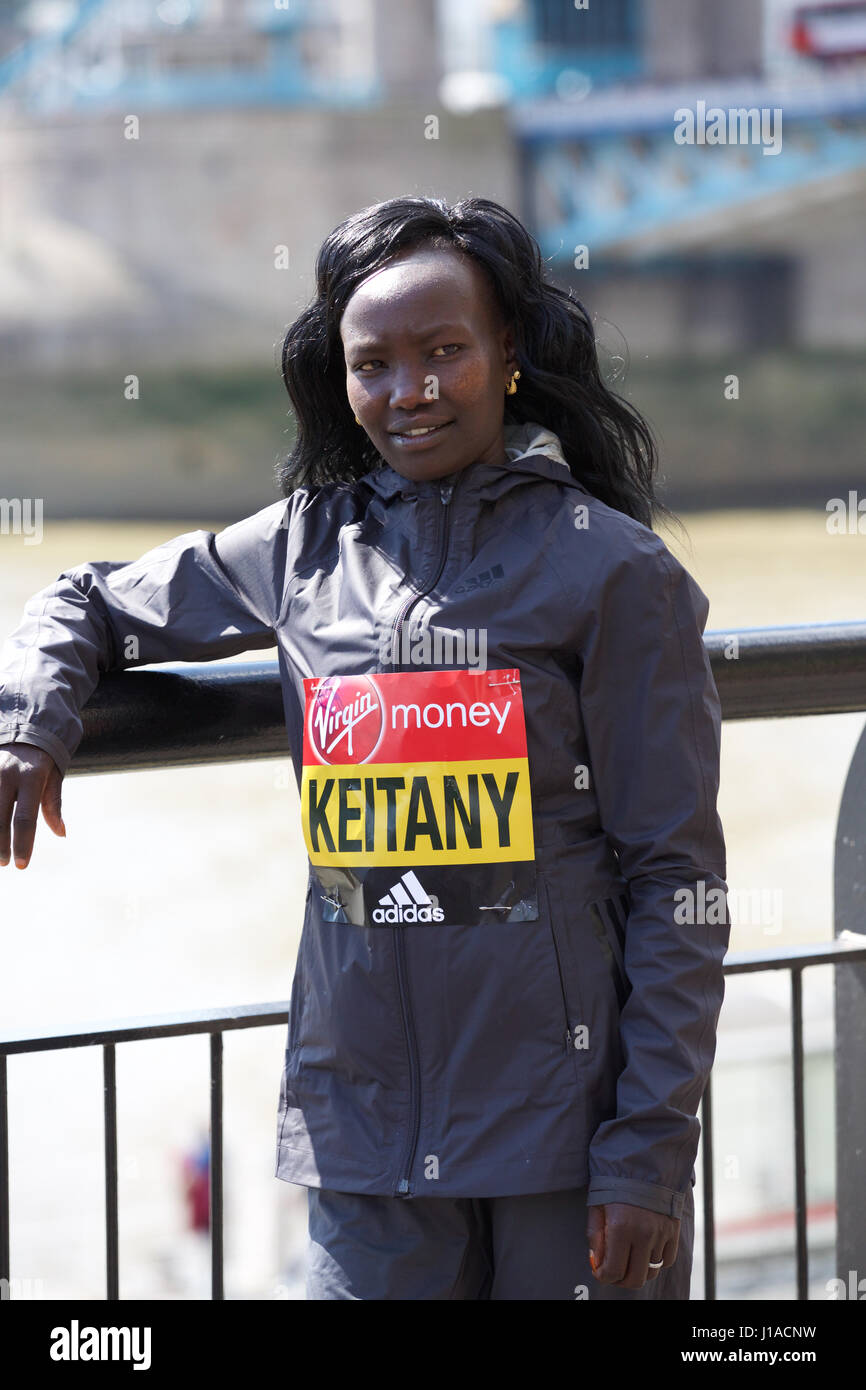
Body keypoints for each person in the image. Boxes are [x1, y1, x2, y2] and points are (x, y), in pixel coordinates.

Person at [0, 195, 729, 1301]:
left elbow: (678, 879)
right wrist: (30, 722)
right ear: (337, 378)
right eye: (372, 363)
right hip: (363, 1139)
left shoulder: (613, 574)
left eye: (444, 352)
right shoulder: (301, 547)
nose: (410, 391)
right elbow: (88, 601)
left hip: (566, 1143)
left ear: (509, 355)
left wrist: (648, 1151)